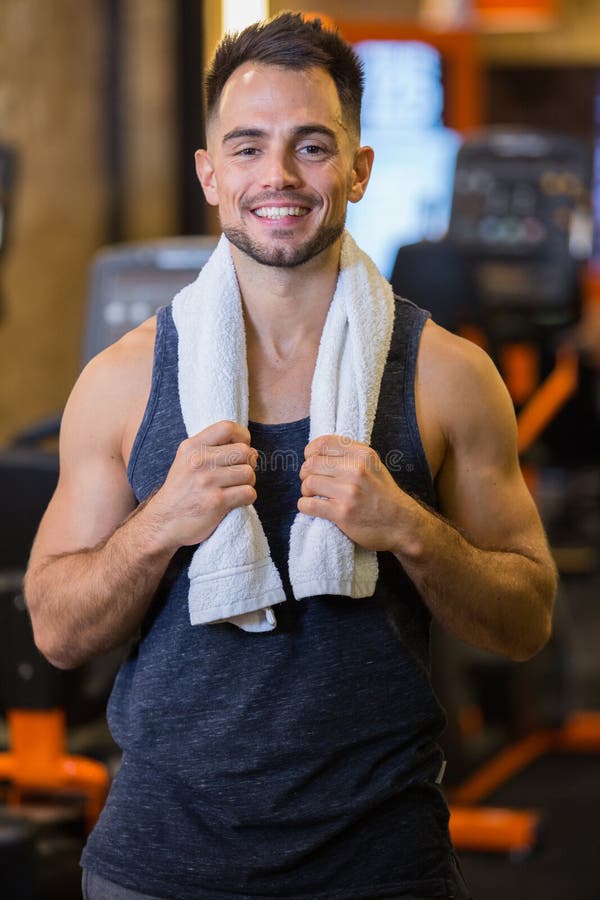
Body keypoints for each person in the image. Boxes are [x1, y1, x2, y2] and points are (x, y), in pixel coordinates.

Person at [24, 12, 557, 900]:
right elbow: (55, 629)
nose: (277, 176)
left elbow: (529, 617)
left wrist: (409, 529)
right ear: (209, 174)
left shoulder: (448, 378)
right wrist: (162, 522)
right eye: (247, 147)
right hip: (158, 867)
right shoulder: (122, 382)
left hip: (380, 864)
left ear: (359, 169)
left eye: (312, 146)